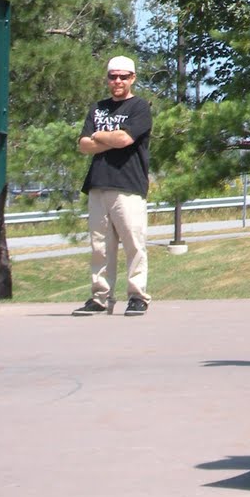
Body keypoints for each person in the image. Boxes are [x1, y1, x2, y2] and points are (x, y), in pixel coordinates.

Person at [72, 55, 153, 316]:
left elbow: (125, 139)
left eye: (123, 76)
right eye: (113, 76)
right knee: (100, 247)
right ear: (107, 78)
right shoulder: (98, 107)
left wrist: (98, 135)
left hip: (128, 185)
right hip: (98, 185)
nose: (117, 81)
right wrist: (107, 139)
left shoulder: (140, 107)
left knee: (133, 244)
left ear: (133, 78)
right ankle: (100, 297)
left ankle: (137, 296)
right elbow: (83, 145)